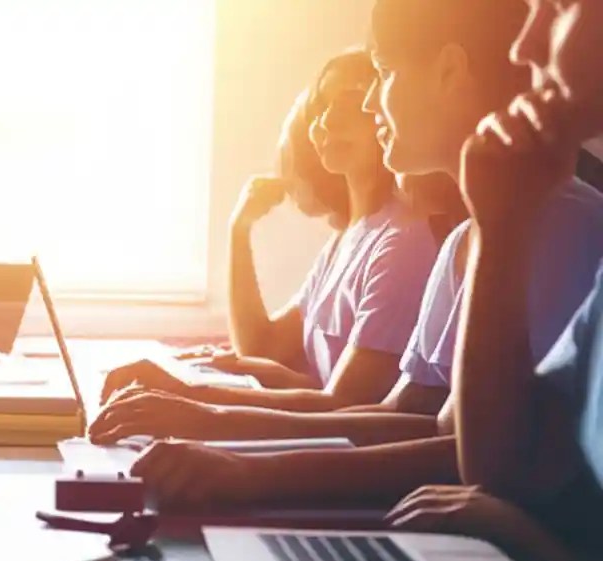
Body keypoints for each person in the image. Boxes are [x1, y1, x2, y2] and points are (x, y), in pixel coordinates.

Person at [125, 0, 603, 512]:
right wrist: (212, 424)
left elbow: (485, 460)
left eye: (384, 72)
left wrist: (245, 463)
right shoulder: (470, 235)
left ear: (449, 71)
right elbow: (412, 416)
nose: (525, 47)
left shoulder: (562, 225)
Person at [390, 0, 603, 561]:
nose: (523, 46)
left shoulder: (572, 220)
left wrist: (553, 558)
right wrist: (500, 227)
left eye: (557, 8)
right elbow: (503, 467)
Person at [99, 50, 439, 416]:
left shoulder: (401, 244)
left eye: (349, 101)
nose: (327, 120)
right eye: (322, 105)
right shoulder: (344, 241)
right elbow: (265, 348)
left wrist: (189, 394)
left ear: (381, 109)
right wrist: (239, 229)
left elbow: (345, 404)